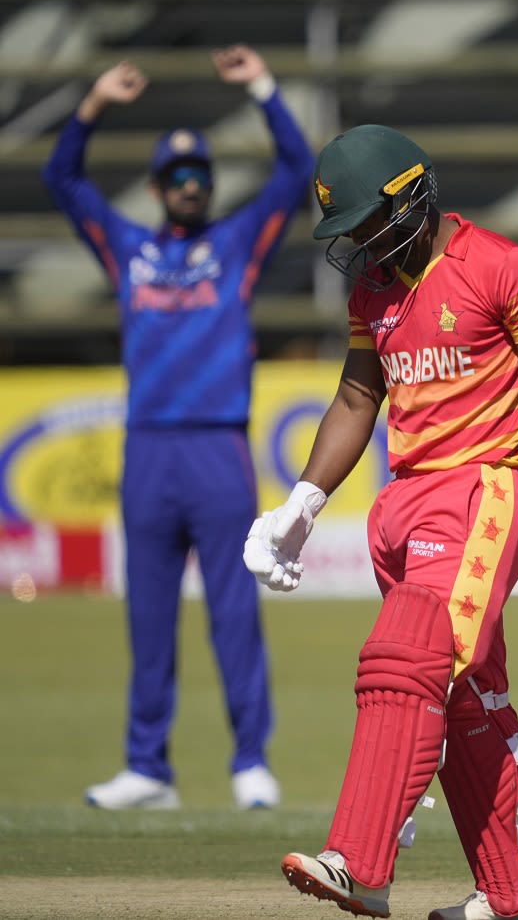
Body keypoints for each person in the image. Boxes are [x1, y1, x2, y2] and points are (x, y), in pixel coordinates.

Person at [243, 123, 518, 920]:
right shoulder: (371, 289)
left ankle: (362, 859)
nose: (362, 242)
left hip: (484, 493)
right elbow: (358, 397)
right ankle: (517, 896)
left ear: (413, 195)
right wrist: (301, 504)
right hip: (402, 507)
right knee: (471, 705)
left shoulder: (502, 267)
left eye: (370, 220)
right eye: (350, 230)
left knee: (406, 657)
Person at [42, 45, 314, 811]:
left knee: (235, 610)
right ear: (160, 186)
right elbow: (61, 179)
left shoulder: (236, 244)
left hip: (218, 447)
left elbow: (296, 171)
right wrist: (93, 102)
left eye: (201, 176)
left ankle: (251, 760)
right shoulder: (128, 248)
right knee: (149, 616)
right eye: (178, 177)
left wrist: (262, 87)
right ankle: (147, 767)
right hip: (150, 450)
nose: (191, 186)